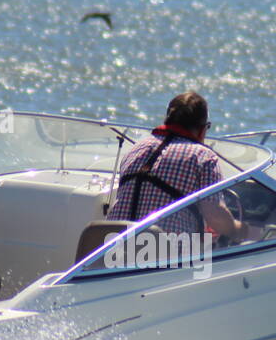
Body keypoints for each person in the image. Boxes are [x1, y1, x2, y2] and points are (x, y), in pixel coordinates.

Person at [106, 92, 248, 240]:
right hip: (161, 255)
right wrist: (243, 231)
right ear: (203, 129)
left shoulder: (137, 148)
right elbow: (216, 218)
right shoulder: (204, 157)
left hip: (111, 249)